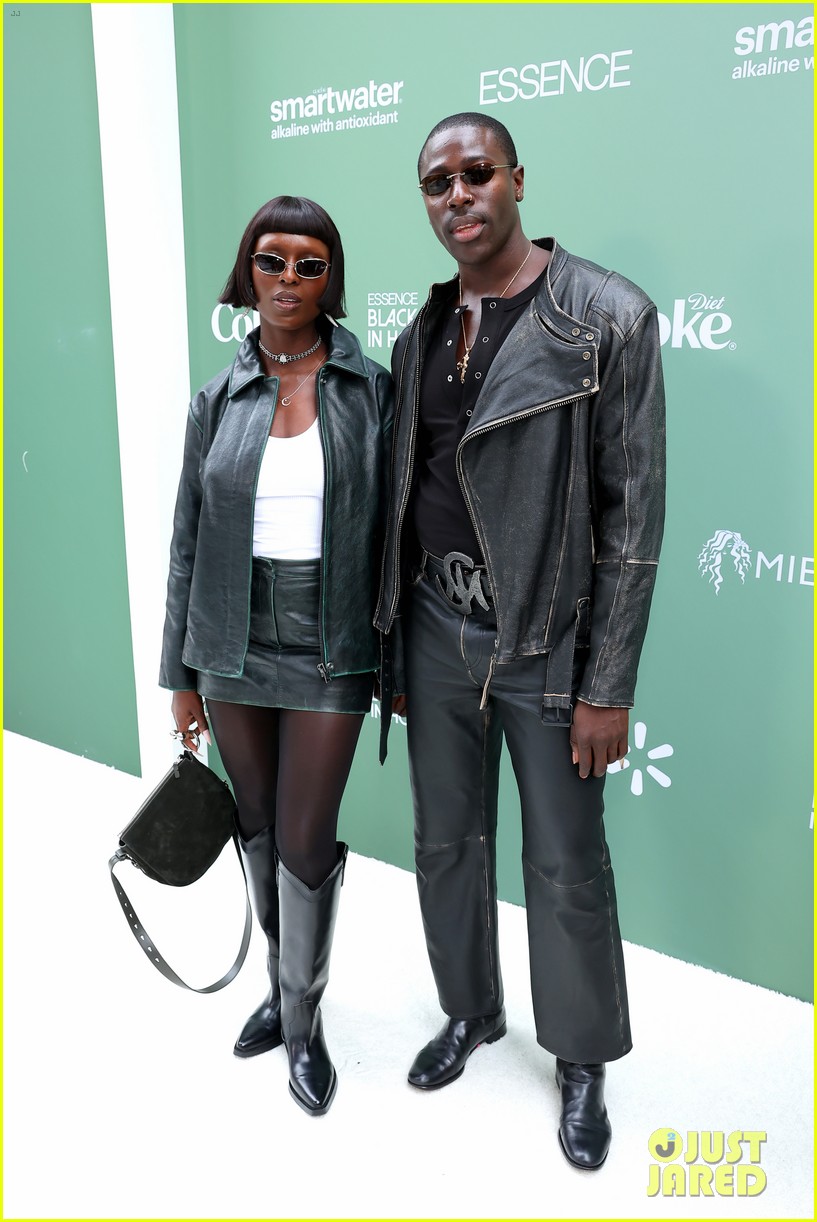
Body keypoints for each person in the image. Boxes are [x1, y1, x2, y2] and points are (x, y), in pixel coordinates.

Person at [375, 114, 665, 1168]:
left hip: (545, 636)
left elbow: (632, 520)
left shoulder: (608, 316)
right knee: (444, 840)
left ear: (517, 179)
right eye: (436, 183)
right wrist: (392, 645)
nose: (456, 196)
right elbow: (403, 496)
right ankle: (470, 1010)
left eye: (475, 173)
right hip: (432, 626)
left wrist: (607, 683)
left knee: (566, 862)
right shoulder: (419, 332)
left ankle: (579, 1058)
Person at [160, 196, 392, 1117]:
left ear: (331, 278)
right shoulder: (216, 399)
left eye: (309, 263)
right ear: (246, 273)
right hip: (229, 640)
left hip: (333, 646)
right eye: (271, 260)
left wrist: (396, 664)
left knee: (303, 836)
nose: (288, 278)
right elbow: (187, 541)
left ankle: (303, 1020)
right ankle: (279, 988)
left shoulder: (372, 391)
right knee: (254, 826)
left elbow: (400, 537)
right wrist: (180, 675)